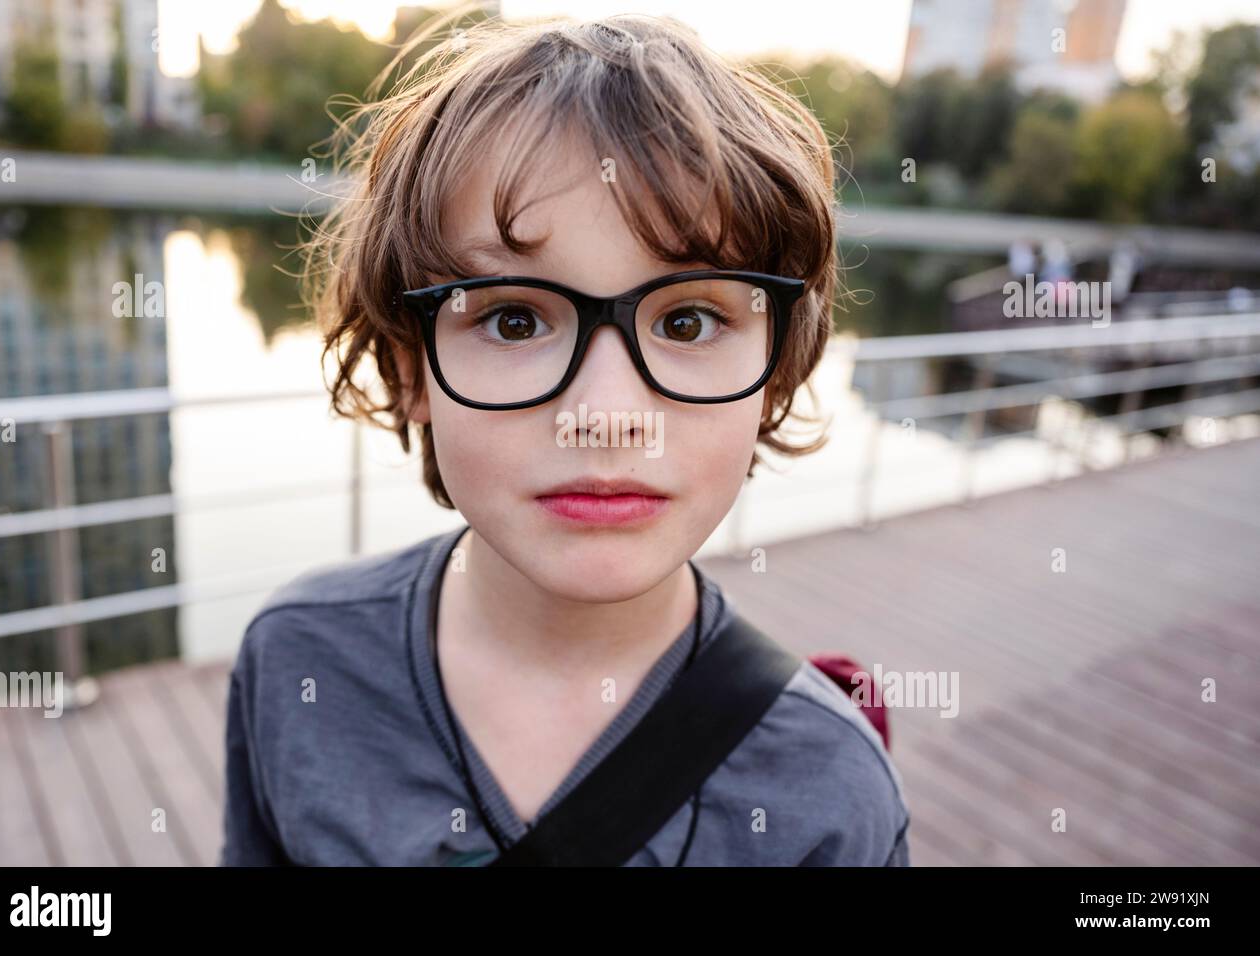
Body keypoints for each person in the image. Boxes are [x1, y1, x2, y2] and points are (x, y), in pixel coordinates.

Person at [219, 11, 910, 867]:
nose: (607, 412)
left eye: (689, 320)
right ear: (409, 369)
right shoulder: (298, 661)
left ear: (773, 374)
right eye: (513, 319)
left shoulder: (828, 789)